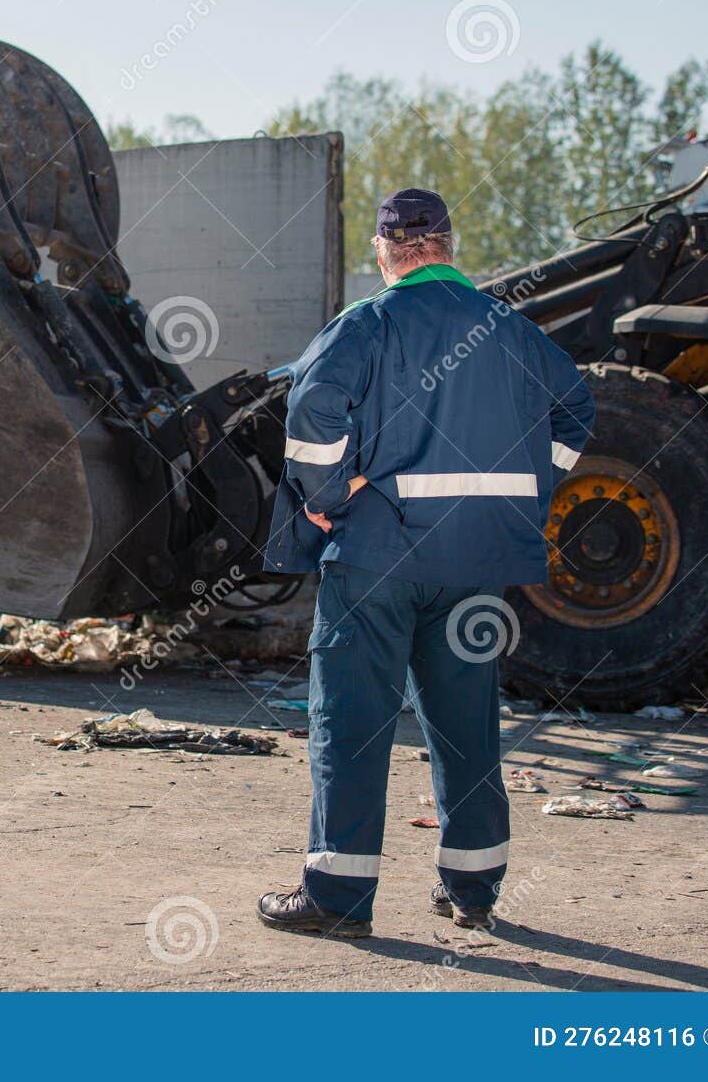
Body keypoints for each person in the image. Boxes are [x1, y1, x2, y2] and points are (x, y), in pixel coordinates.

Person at [258, 188, 595, 938]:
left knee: (352, 719)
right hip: (478, 559)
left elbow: (312, 407)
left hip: (378, 555)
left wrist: (325, 495)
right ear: (446, 243)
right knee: (465, 719)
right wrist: (529, 482)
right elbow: (576, 403)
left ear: (385, 252)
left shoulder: (369, 324)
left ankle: (338, 899)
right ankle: (473, 890)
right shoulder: (511, 330)